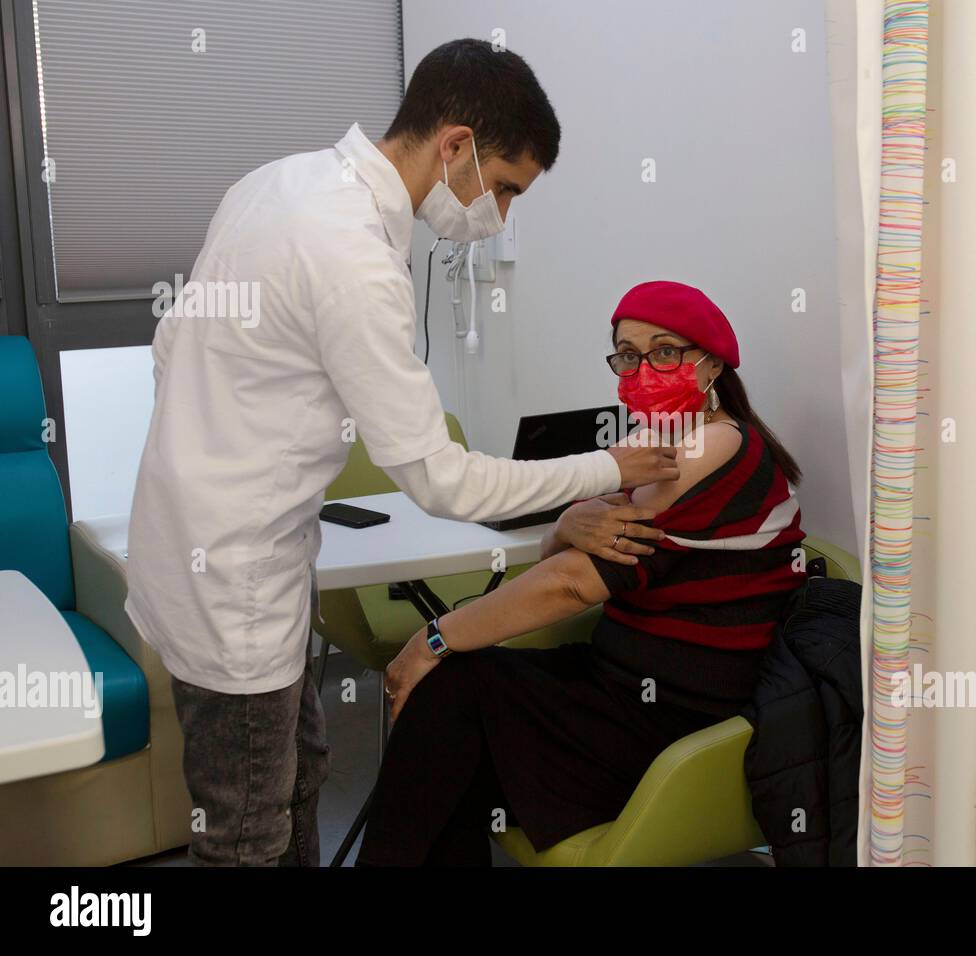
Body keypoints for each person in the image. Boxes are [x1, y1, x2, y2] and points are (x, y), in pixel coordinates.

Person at [124, 40, 677, 867]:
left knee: (297, 776)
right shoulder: (352, 258)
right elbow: (442, 480)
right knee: (245, 832)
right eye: (507, 189)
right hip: (234, 584)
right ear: (455, 146)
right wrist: (610, 468)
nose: (503, 216)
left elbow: (171, 347)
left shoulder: (277, 183)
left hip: (200, 546)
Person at [356, 280, 806, 866]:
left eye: (666, 351)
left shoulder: (714, 445)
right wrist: (568, 523)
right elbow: (561, 553)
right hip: (615, 678)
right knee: (454, 718)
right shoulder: (656, 442)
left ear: (712, 362)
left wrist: (430, 638)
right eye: (628, 354)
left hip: (677, 716)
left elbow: (573, 582)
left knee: (450, 694)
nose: (644, 369)